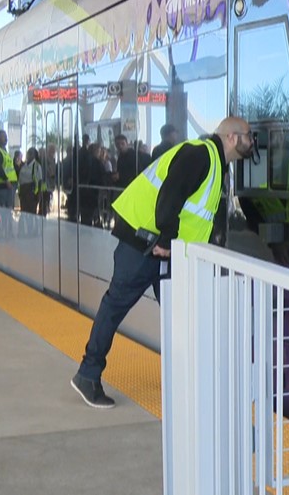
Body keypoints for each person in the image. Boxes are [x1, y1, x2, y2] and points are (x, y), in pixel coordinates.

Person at [71, 116, 254, 408]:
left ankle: (183, 380)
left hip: (165, 251)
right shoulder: (200, 154)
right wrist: (167, 241)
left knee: (180, 313)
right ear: (232, 137)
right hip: (144, 246)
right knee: (115, 306)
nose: (252, 141)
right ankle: (88, 374)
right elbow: (169, 196)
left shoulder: (218, 164)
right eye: (248, 135)